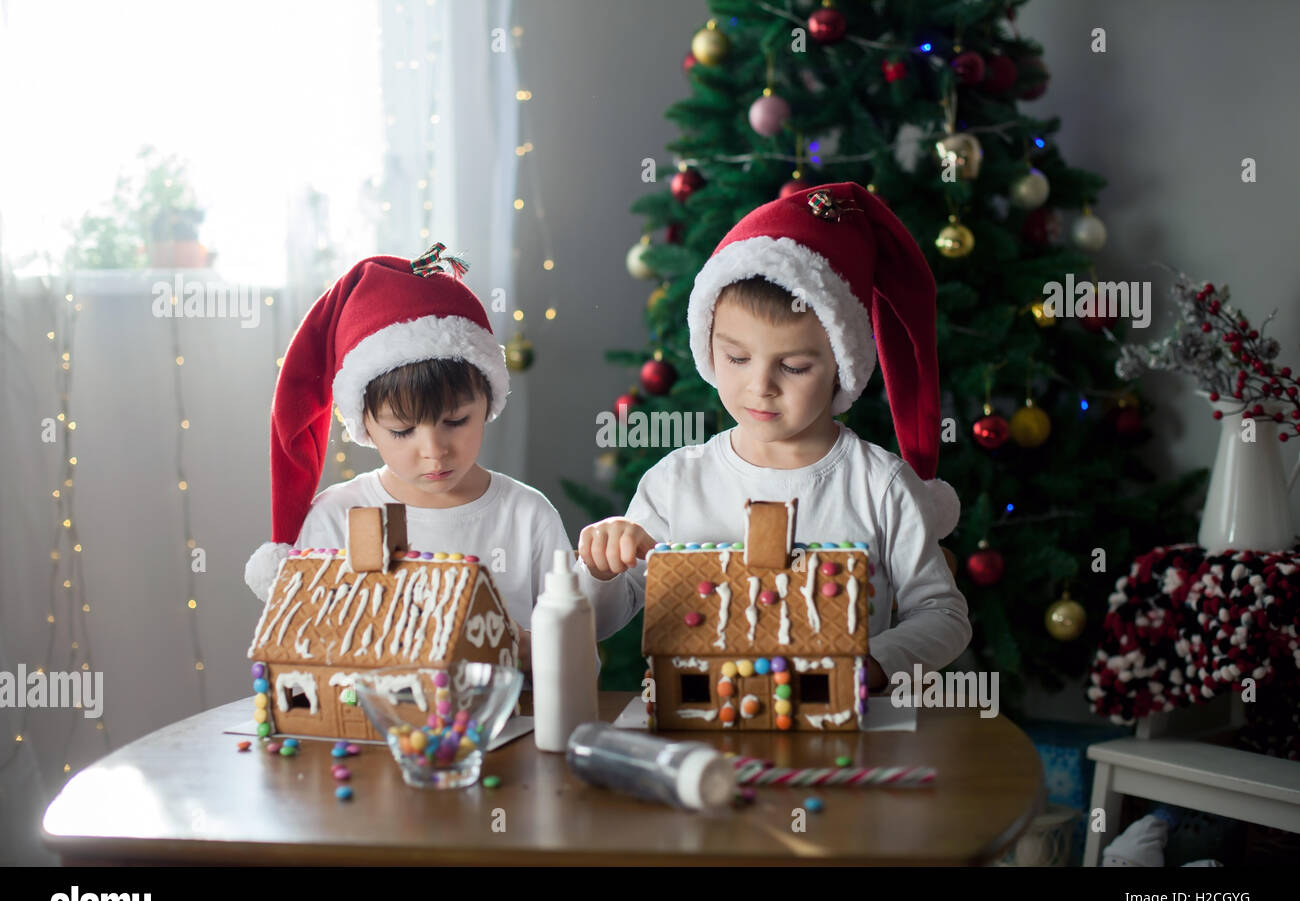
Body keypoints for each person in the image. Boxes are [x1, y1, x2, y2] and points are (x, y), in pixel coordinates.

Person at [577, 183, 970, 691]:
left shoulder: (880, 485)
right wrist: (604, 566)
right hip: (704, 738)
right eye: (737, 358)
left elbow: (942, 613)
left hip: (842, 745)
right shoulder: (678, 481)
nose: (760, 386)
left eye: (794, 366)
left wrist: (876, 661)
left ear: (840, 367)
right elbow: (606, 617)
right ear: (709, 348)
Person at [244, 242, 624, 671]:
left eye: (456, 421)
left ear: (489, 401)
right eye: (403, 430)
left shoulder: (527, 516)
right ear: (364, 425)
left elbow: (581, 661)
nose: (433, 451)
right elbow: (302, 652)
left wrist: (526, 646)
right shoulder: (337, 518)